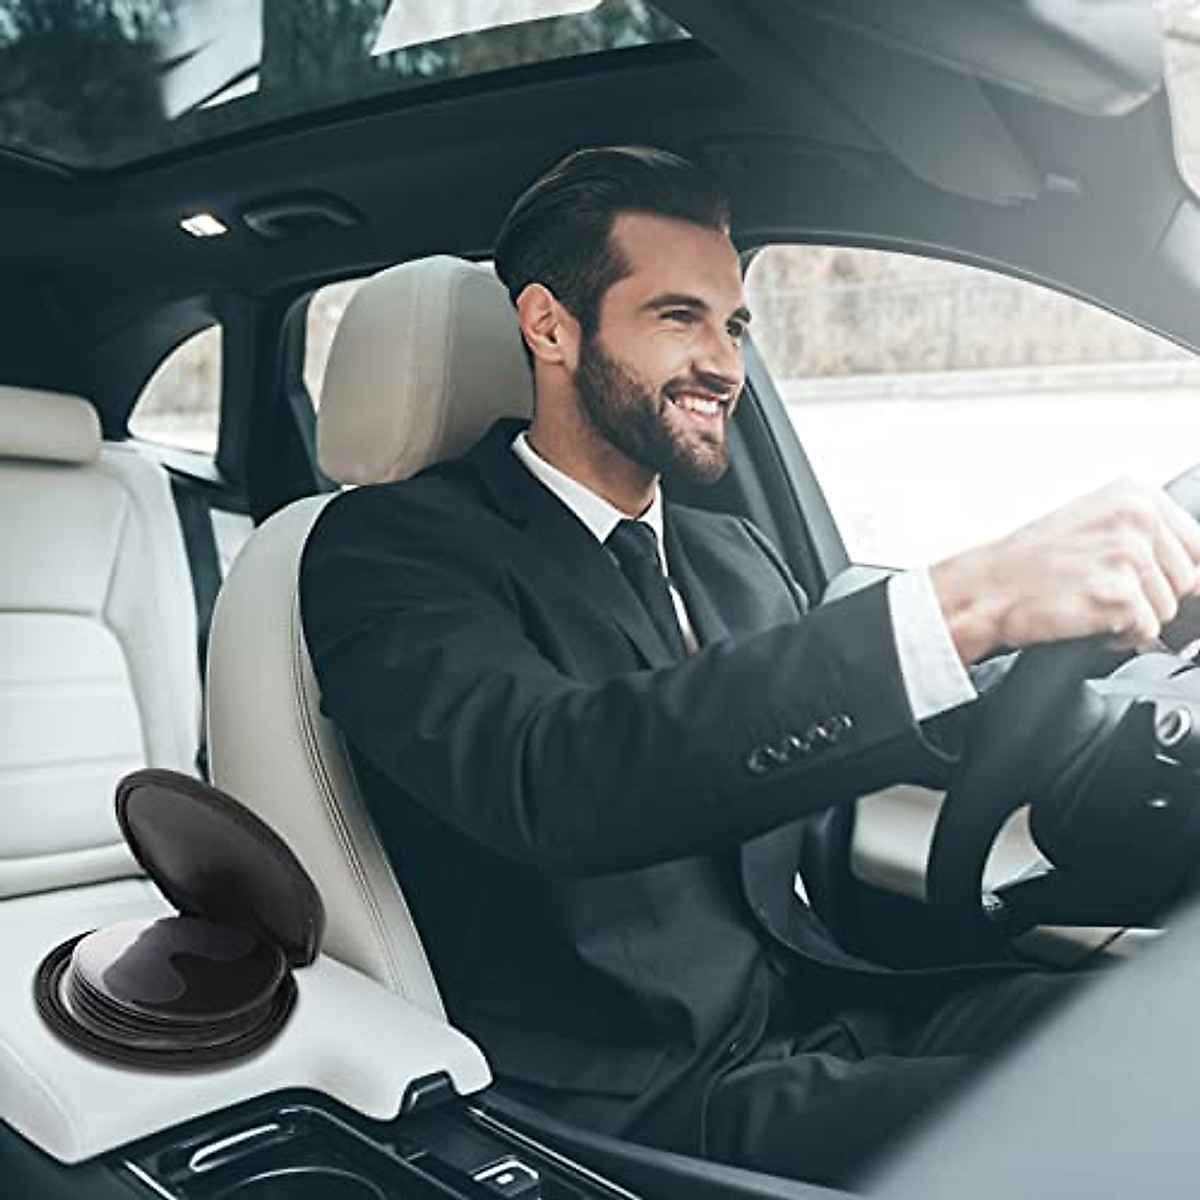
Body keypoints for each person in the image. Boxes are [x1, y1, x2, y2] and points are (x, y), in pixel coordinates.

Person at [299, 146, 1200, 1186]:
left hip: (833, 1005)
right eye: (678, 317)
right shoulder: (388, 551)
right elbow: (555, 777)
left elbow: (821, 735)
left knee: (1169, 1032)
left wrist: (1082, 670)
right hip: (646, 1095)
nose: (725, 365)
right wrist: (970, 600)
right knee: (1144, 1125)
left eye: (734, 326)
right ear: (550, 326)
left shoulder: (732, 551)